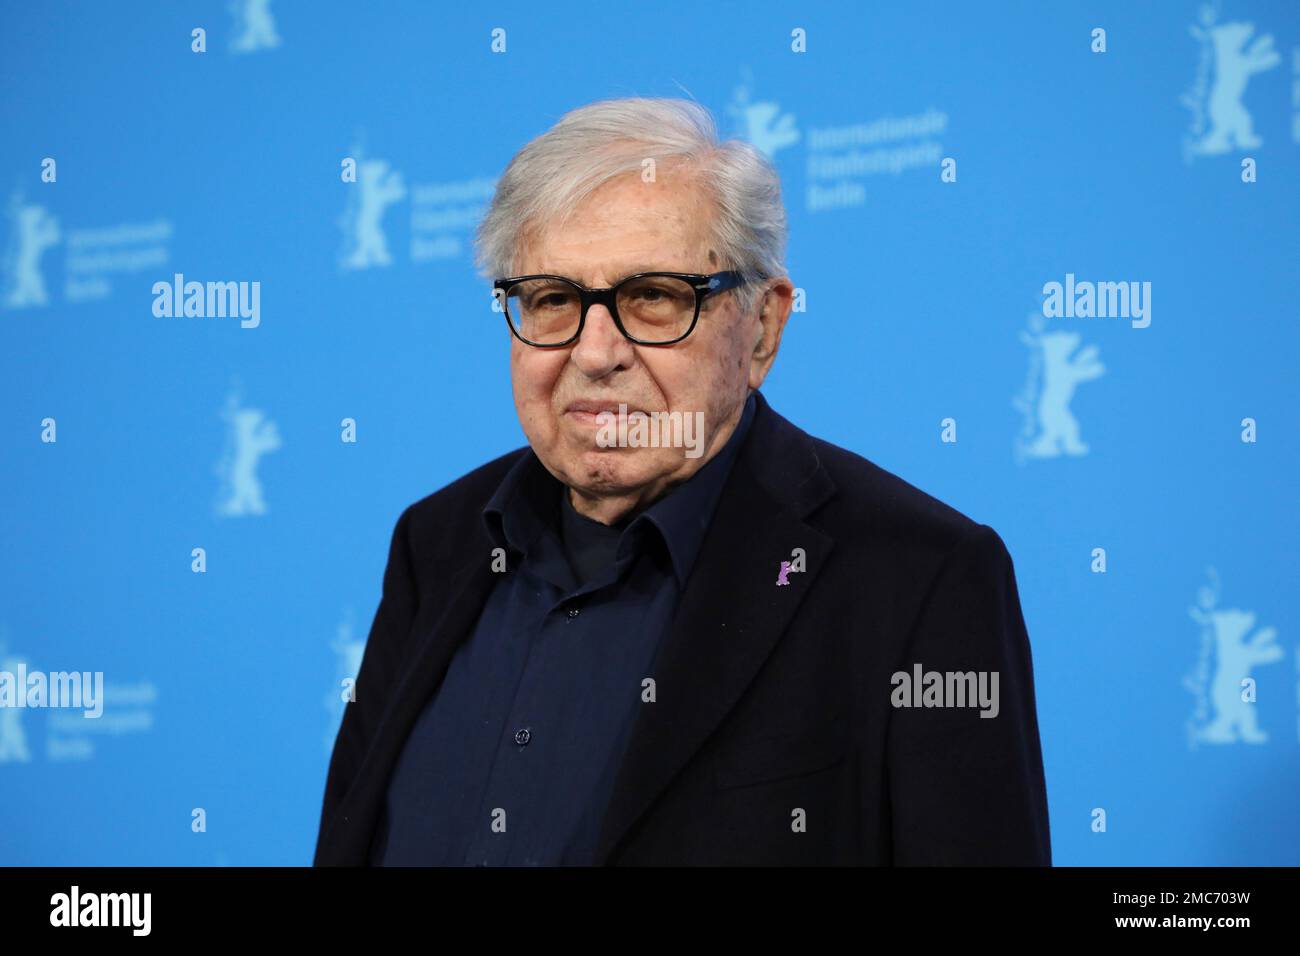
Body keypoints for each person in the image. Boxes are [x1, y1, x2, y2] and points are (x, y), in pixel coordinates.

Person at [314, 97, 1051, 866]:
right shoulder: (435, 543)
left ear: (762, 327)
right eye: (554, 299)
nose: (596, 352)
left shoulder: (916, 577)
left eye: (654, 298)